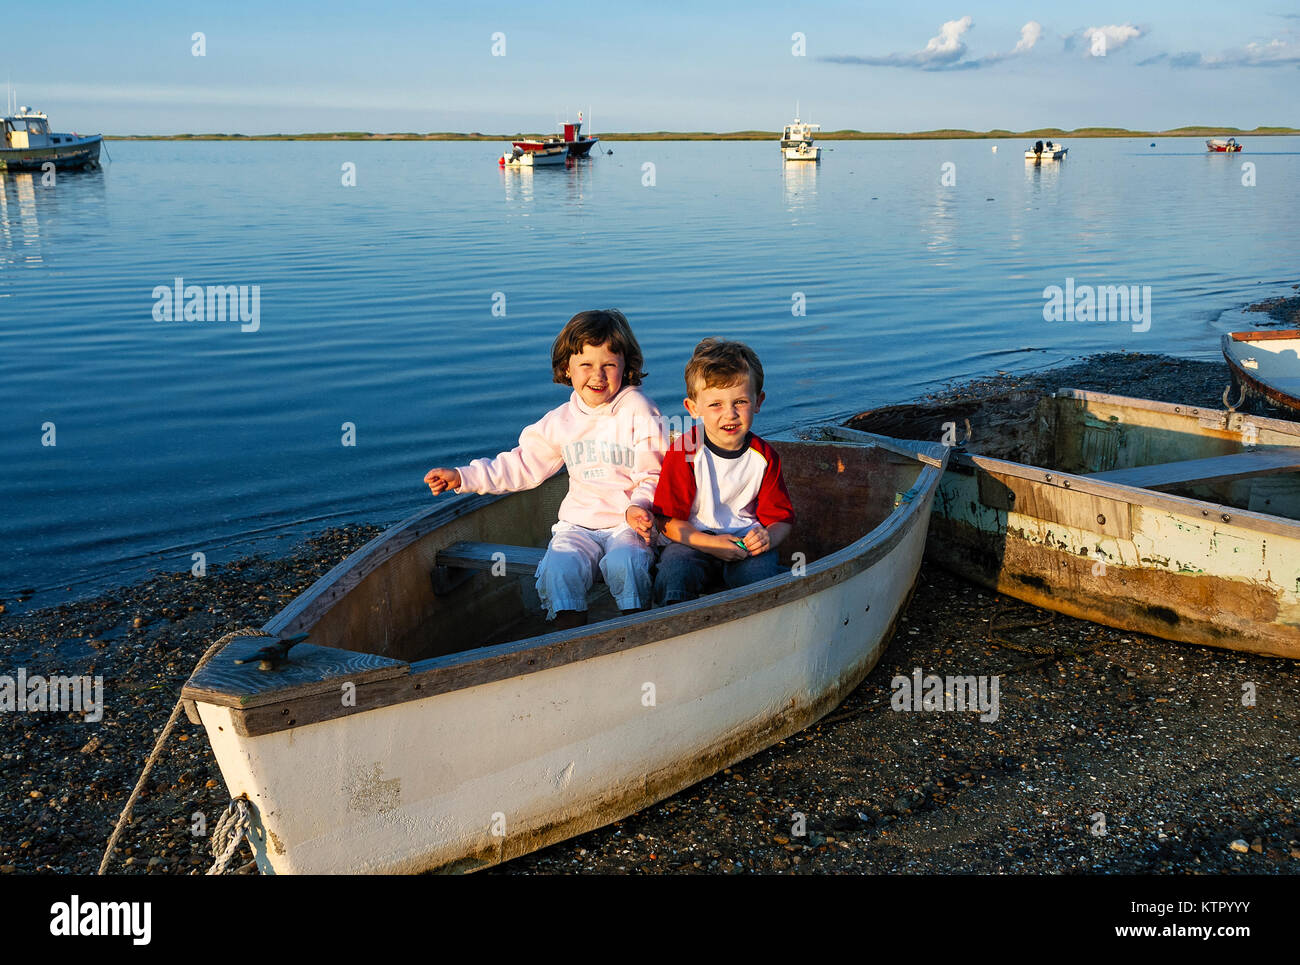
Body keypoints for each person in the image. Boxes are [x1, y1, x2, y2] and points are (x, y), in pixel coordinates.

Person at [424, 310, 665, 629]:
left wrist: (641, 506)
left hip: (627, 522)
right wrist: (463, 476)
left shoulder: (637, 409)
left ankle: (636, 627)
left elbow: (655, 472)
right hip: (578, 524)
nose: (598, 376)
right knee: (559, 568)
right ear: (567, 368)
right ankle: (569, 634)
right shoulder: (561, 420)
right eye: (586, 366)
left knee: (627, 563)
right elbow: (521, 465)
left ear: (626, 366)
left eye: (609, 365)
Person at [651, 338, 795, 606]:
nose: (729, 414)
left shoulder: (763, 457)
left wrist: (766, 538)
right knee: (674, 570)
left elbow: (780, 519)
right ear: (693, 408)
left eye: (739, 401)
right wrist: (711, 544)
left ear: (758, 401)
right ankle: (673, 628)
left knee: (760, 576)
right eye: (716, 404)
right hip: (692, 540)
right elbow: (667, 521)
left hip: (744, 542)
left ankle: (756, 627)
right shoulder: (686, 451)